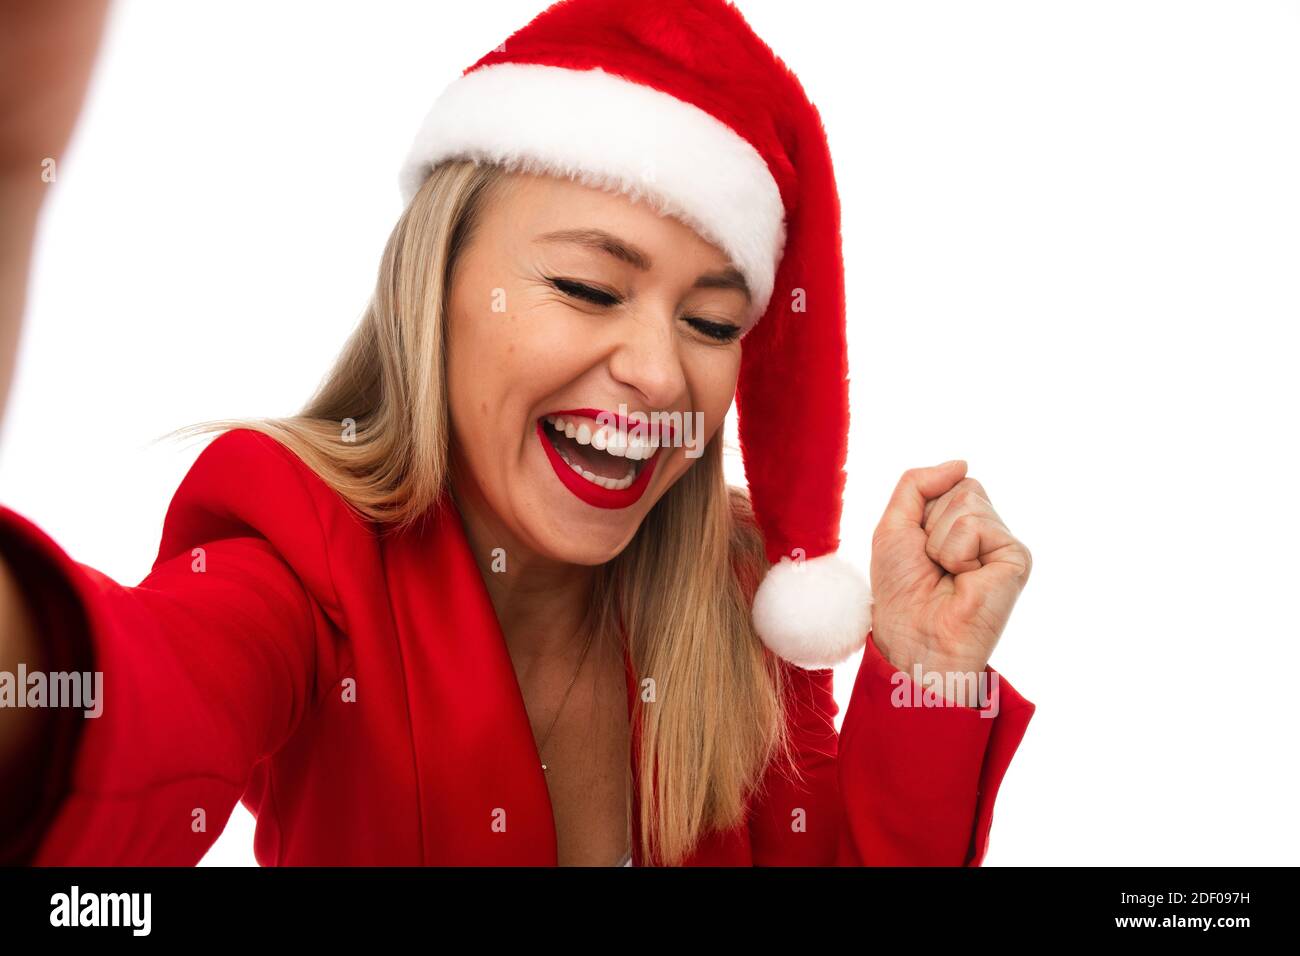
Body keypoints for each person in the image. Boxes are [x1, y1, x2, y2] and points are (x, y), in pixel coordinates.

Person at [0, 0, 1035, 867]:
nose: (663, 372)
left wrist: (928, 672)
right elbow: (139, 695)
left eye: (712, 323)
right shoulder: (298, 552)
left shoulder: (734, 591)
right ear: (435, 284)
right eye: (589, 286)